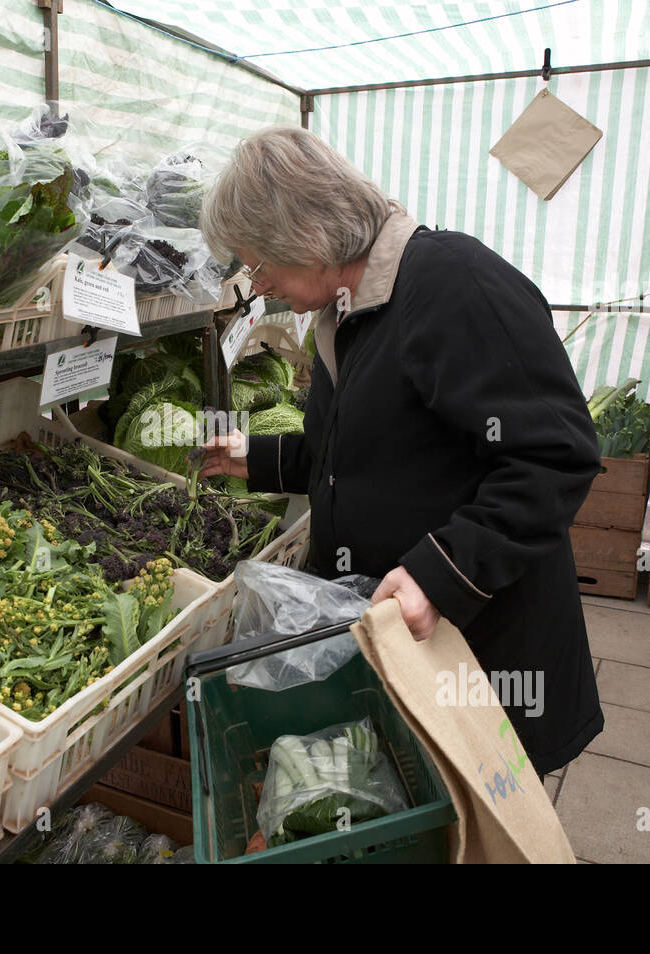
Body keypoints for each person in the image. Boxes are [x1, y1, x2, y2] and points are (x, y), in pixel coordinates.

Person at [197, 126, 603, 776]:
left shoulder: (455, 285)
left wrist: (438, 575)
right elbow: (347, 454)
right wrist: (254, 457)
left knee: (484, 832)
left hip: (483, 656)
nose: (260, 285)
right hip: (408, 651)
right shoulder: (344, 312)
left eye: (260, 263)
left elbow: (556, 455)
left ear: (305, 235)